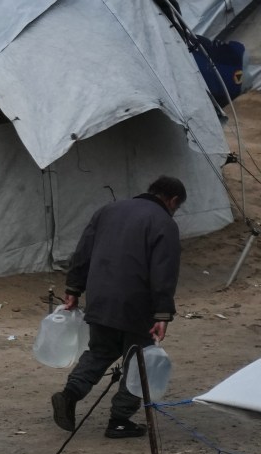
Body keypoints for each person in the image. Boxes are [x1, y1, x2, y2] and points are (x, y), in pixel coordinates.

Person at [52, 176, 186, 439]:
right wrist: (162, 313)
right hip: (137, 304)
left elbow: (83, 251)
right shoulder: (164, 223)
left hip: (100, 298)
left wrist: (73, 289)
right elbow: (164, 272)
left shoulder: (108, 210)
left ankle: (69, 395)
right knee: (139, 360)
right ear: (173, 201)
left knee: (100, 351)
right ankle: (120, 420)